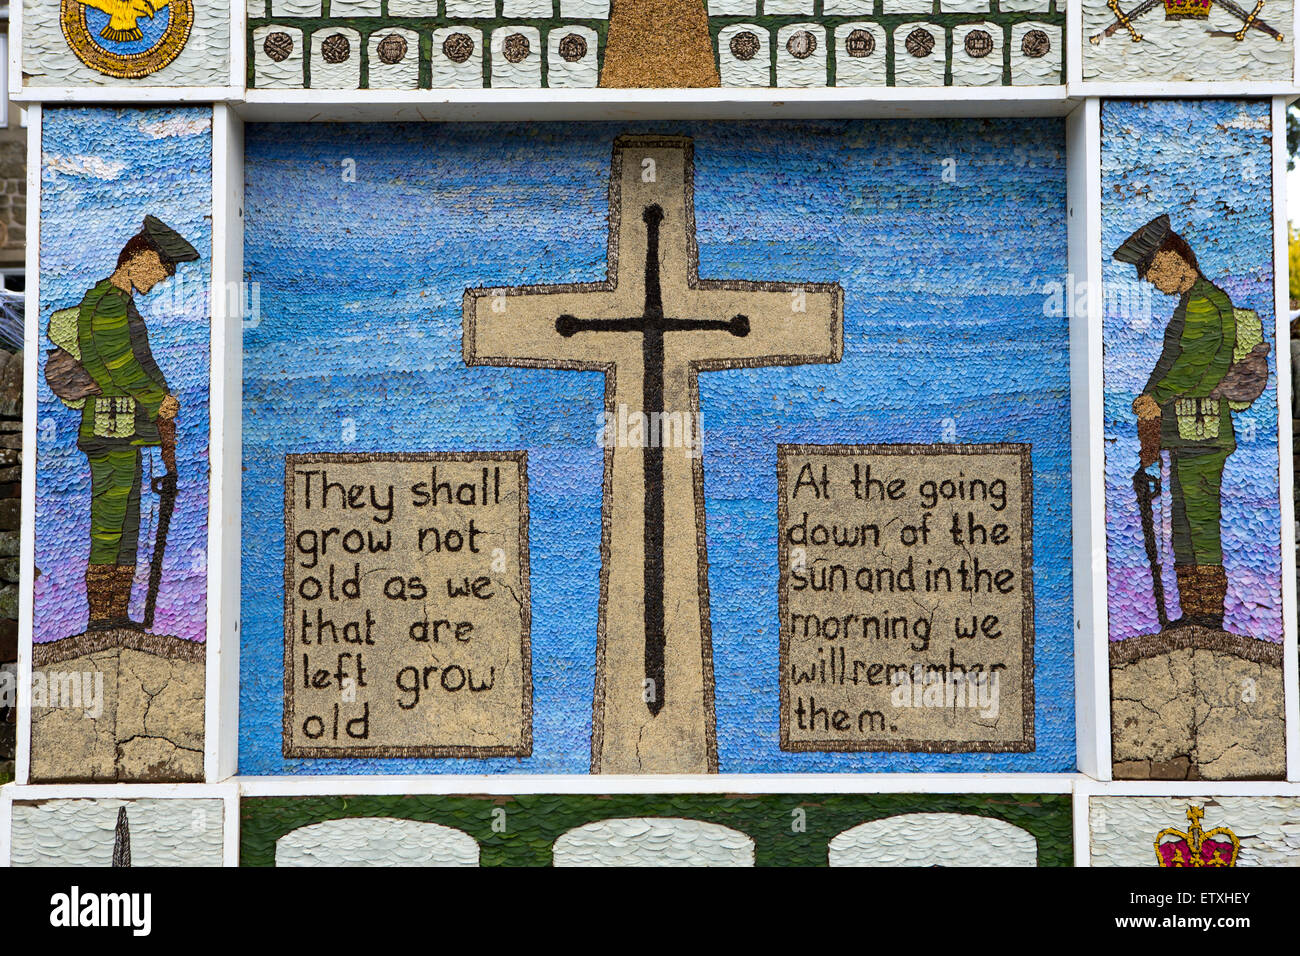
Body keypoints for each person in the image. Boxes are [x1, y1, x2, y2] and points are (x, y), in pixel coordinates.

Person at [1113, 214, 1236, 631]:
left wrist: (1157, 398)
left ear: (1172, 259)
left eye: (1150, 270)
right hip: (1187, 432)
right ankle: (1197, 612)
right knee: (1184, 522)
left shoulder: (1205, 302)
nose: (1149, 281)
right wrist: (1150, 400)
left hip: (1202, 433)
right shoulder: (1191, 303)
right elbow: (1169, 365)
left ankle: (1209, 614)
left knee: (1199, 520)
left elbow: (1194, 364)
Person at [76, 215, 198, 630]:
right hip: (112, 429)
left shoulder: (117, 302)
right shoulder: (108, 302)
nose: (161, 280)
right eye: (161, 270)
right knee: (112, 522)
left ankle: (112, 613)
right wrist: (156, 399)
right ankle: (102, 615)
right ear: (140, 257)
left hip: (124, 429)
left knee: (125, 523)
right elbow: (121, 364)